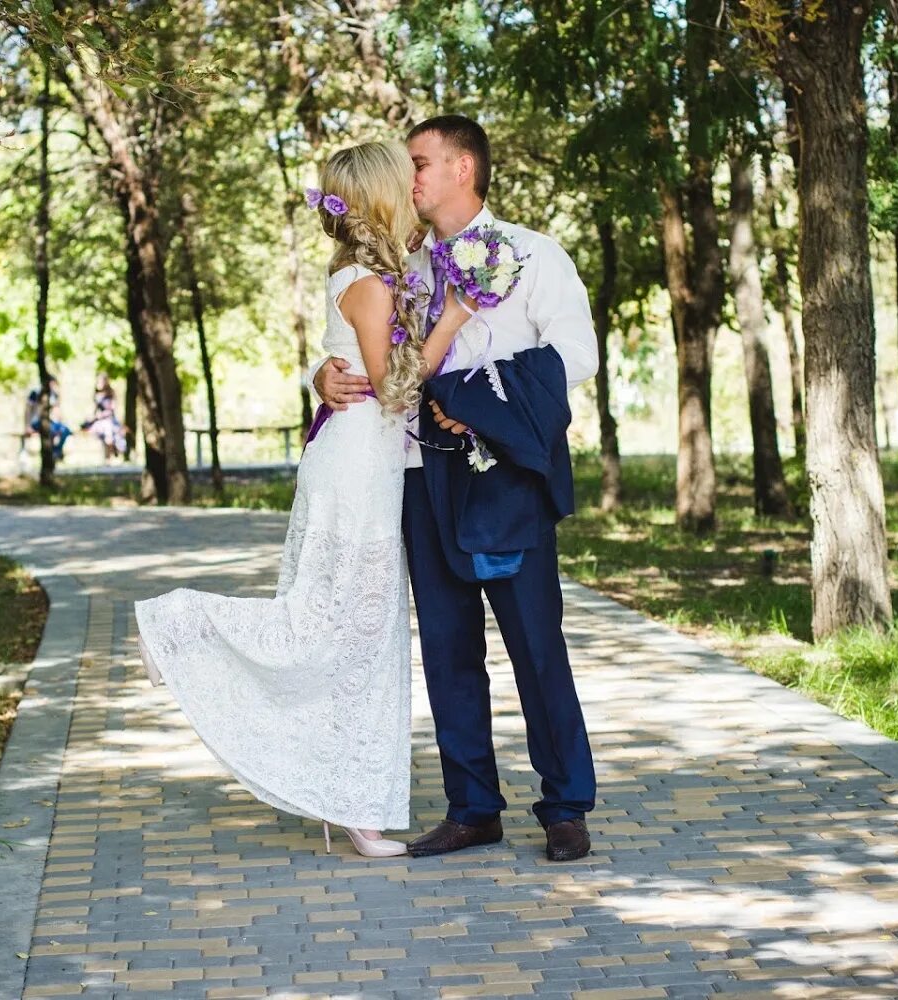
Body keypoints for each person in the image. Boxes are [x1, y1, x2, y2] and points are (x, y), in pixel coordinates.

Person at [134, 140, 471, 858]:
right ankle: (180, 620)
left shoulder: (373, 271)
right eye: (402, 178)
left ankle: (352, 806)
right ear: (382, 194)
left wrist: (327, 368)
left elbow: (360, 355)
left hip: (362, 462)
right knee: (330, 628)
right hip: (356, 472)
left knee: (360, 638)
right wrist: (453, 321)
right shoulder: (372, 283)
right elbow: (396, 386)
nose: (414, 186)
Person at [313, 115, 600, 862]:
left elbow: (575, 355)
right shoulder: (401, 265)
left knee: (536, 645)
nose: (408, 178)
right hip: (418, 475)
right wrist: (321, 376)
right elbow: (364, 346)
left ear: (464, 168)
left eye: (421, 162)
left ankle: (565, 804)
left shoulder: (532, 255)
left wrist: (472, 397)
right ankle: (473, 807)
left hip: (505, 473)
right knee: (447, 650)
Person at [82, 374, 127, 462]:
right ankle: (108, 456)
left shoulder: (111, 393)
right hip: (99, 420)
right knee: (99, 433)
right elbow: (95, 409)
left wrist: (102, 415)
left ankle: (110, 455)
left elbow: (112, 409)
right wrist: (93, 417)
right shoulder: (96, 394)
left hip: (109, 419)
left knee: (109, 434)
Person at [25, 378, 72, 461]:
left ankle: (56, 451)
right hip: (36, 422)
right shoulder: (35, 393)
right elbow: (28, 410)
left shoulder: (54, 394)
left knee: (65, 430)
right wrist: (27, 426)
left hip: (51, 422)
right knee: (51, 431)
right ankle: (52, 454)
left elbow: (57, 411)